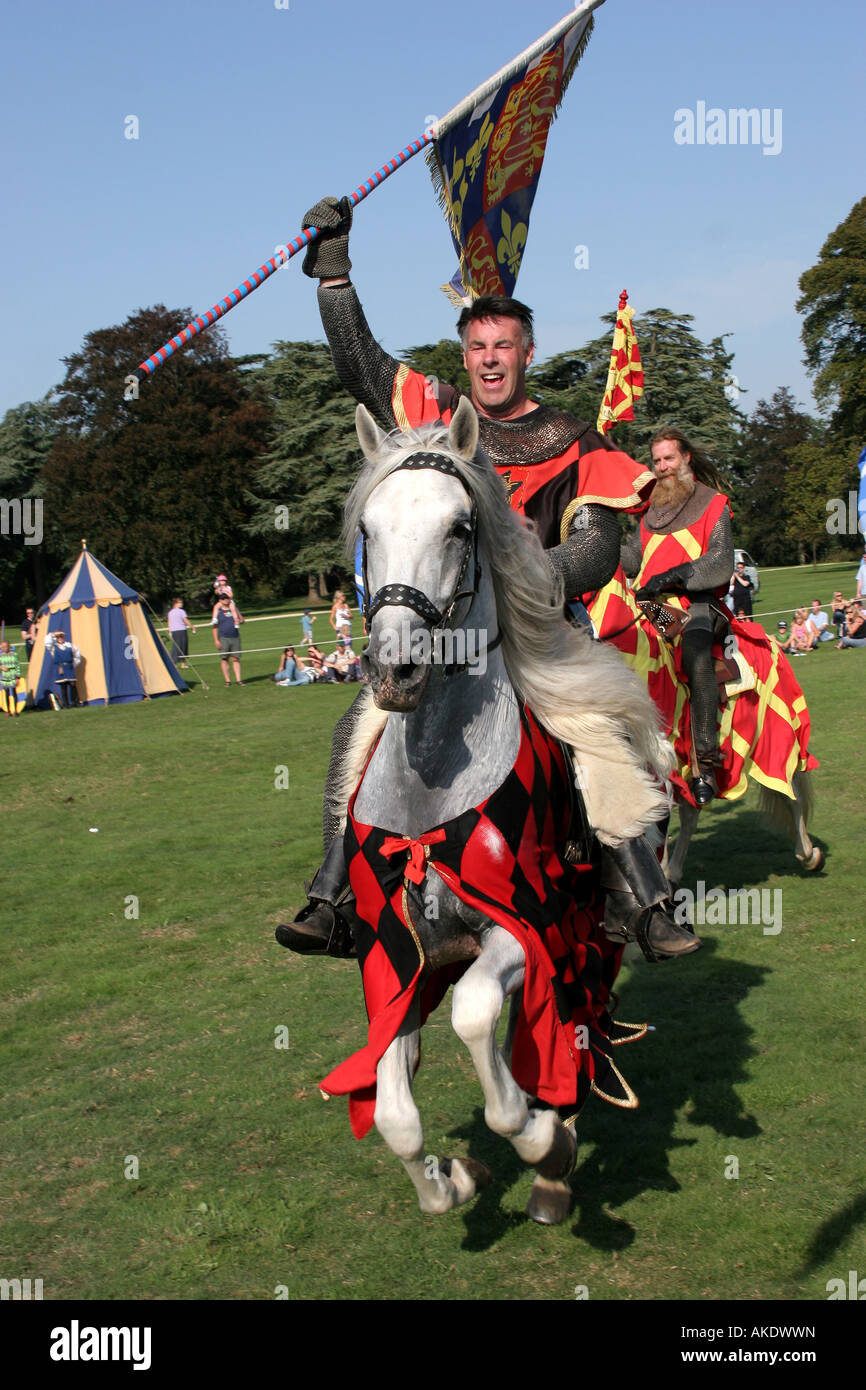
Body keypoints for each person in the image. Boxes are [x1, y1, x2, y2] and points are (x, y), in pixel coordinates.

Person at [276, 195, 698, 964]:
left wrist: (539, 573)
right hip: (441, 636)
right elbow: (360, 362)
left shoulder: (574, 440)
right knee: (359, 724)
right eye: (478, 347)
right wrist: (334, 271)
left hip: (535, 634)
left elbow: (599, 544)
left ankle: (641, 900)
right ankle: (332, 894)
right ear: (464, 354)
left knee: (600, 738)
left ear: (528, 351)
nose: (490, 359)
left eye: (504, 345)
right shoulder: (435, 417)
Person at [620, 428, 734, 806]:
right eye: (656, 460)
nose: (662, 467)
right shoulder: (653, 508)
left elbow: (720, 561)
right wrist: (594, 542)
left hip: (700, 604)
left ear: (685, 458)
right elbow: (633, 559)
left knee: (696, 657)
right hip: (655, 606)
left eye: (669, 458)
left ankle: (705, 763)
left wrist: (677, 575)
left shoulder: (713, 503)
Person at [211, 593, 244, 686]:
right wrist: (216, 640)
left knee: (236, 658)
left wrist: (239, 620)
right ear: (220, 600)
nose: (226, 600)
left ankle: (239, 680)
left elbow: (242, 620)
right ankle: (227, 681)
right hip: (223, 638)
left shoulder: (234, 608)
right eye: (223, 599)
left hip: (235, 637)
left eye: (227, 598)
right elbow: (214, 627)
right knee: (224, 659)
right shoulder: (218, 611)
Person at [44, 630, 81, 707]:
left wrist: (72, 665)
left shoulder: (69, 645)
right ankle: (66, 704)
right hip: (60, 668)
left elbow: (77, 656)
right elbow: (47, 642)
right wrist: (52, 634)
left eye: (61, 636)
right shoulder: (53, 647)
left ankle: (76, 702)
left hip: (69, 667)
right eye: (58, 637)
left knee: (72, 684)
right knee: (63, 686)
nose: (60, 638)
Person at [167, 598, 195, 667]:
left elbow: (169, 622)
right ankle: (175, 663)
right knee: (181, 646)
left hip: (174, 631)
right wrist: (192, 627)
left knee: (179, 646)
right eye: (180, 602)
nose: (181, 604)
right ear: (175, 603)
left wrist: (170, 631)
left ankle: (182, 664)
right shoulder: (181, 611)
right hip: (181, 630)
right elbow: (185, 620)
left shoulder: (170, 612)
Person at [0, 640, 21, 716]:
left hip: (12, 675)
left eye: (5, 647)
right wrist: (1, 667)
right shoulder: (1, 656)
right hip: (5, 676)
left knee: (14, 693)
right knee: (6, 693)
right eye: (2, 647)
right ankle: (8, 711)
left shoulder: (14, 655)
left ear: (9, 646)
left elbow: (17, 666)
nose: (4, 648)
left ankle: (15, 711)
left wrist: (17, 677)